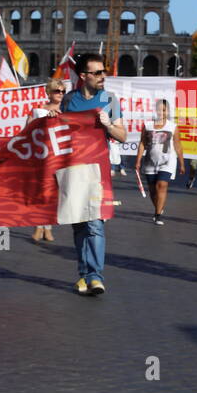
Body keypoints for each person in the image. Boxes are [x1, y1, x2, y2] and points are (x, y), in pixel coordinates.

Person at [61, 53, 126, 295]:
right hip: (73, 169)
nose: (103, 76)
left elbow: (123, 135)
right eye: (97, 72)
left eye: (104, 71)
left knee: (95, 224)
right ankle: (83, 275)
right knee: (78, 226)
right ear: (83, 75)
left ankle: (96, 276)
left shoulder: (110, 99)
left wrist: (108, 124)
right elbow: (61, 133)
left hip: (98, 172)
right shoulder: (69, 100)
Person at [135, 99, 184, 225]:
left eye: (164, 109)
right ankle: (158, 208)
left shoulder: (172, 127)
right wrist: (138, 160)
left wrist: (182, 163)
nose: (161, 112)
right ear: (155, 110)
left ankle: (158, 215)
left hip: (167, 161)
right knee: (152, 189)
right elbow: (142, 143)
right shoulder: (147, 125)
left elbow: (178, 145)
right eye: (159, 109)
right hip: (150, 162)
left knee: (161, 185)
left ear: (167, 111)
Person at [30, 79, 67, 242]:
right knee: (40, 192)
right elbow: (27, 131)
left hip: (59, 157)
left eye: (62, 91)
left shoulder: (67, 110)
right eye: (57, 91)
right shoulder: (38, 111)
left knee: (54, 194)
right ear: (48, 92)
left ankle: (48, 226)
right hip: (41, 156)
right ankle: (39, 225)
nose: (60, 94)